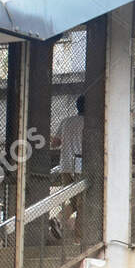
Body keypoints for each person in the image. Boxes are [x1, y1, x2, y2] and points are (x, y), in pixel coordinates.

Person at [48, 95, 85, 242]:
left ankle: (58, 219)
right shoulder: (92, 123)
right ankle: (79, 239)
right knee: (83, 204)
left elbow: (55, 143)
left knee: (73, 201)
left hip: (65, 166)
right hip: (81, 167)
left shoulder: (66, 121)